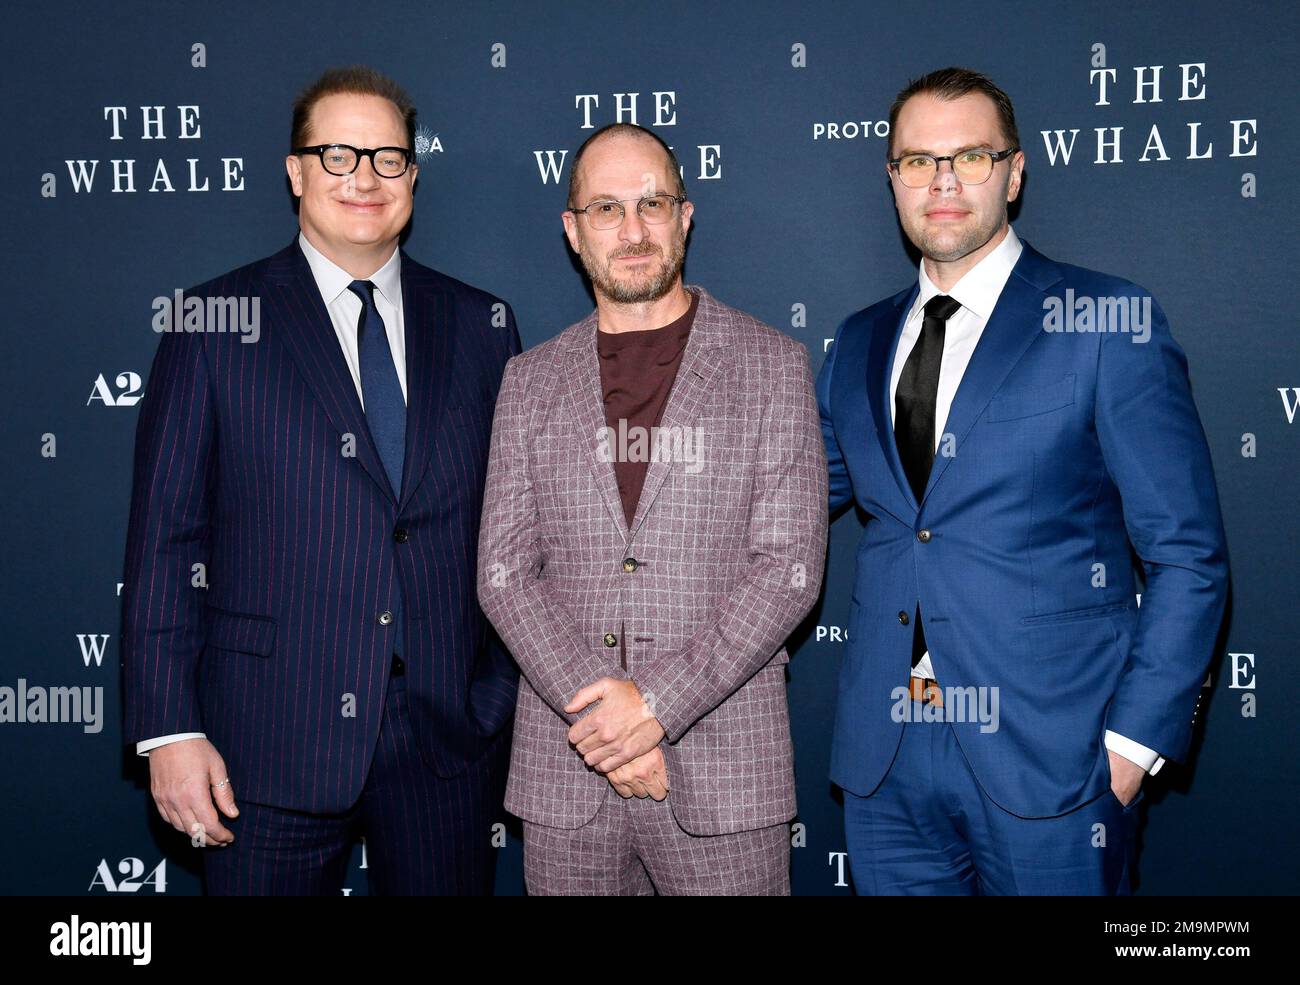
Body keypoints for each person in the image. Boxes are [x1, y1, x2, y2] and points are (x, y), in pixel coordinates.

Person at [817, 67, 1229, 895]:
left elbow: (1188, 555)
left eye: (969, 155)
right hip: (886, 763)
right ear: (891, 177)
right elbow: (784, 510)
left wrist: (1128, 749)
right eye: (917, 161)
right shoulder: (855, 344)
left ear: (1015, 169)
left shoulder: (1106, 322)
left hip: (1056, 761)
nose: (942, 181)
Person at [121, 65, 520, 895]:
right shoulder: (214, 323)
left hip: (447, 744)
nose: (364, 177)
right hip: (262, 743)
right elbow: (166, 541)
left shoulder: (484, 324)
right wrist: (168, 730)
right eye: (337, 155)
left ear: (413, 175)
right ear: (295, 171)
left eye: (387, 157)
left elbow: (515, 527)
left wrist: (496, 697)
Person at [477, 123, 827, 895]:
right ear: (573, 230)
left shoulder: (772, 365)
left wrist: (657, 707)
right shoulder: (529, 381)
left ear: (686, 214)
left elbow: (788, 572)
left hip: (726, 775)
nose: (632, 230)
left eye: (652, 203)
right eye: (606, 208)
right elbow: (504, 572)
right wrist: (611, 729)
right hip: (569, 778)